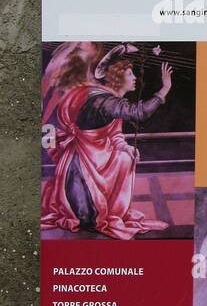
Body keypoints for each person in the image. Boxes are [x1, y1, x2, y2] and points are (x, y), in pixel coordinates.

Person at [40, 46, 173, 239]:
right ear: (117, 78)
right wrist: (164, 89)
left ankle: (109, 207)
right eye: (129, 74)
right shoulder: (105, 101)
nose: (135, 78)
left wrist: (126, 147)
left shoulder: (108, 99)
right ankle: (94, 211)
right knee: (88, 217)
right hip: (82, 163)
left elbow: (114, 134)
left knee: (125, 158)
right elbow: (138, 113)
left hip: (95, 155)